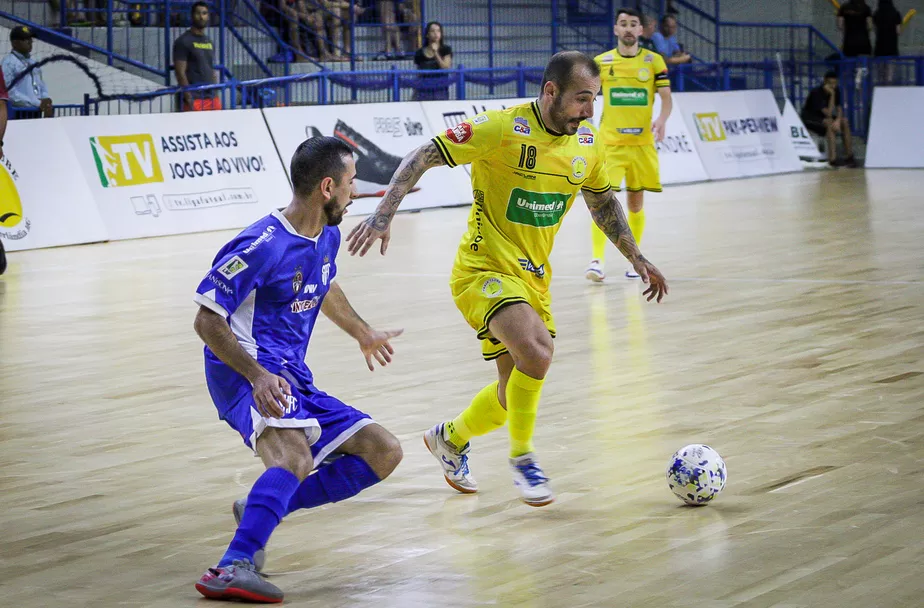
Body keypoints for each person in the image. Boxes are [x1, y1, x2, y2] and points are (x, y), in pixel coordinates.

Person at [346, 51, 668, 507]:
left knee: (509, 389)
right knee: (538, 351)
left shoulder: (588, 143)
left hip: (533, 279)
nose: (589, 110)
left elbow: (602, 202)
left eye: (594, 99)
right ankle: (523, 457)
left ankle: (450, 438)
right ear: (550, 91)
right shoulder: (501, 128)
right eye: (581, 99)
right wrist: (382, 215)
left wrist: (636, 256)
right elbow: (424, 155)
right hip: (482, 270)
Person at [192, 136, 404, 602]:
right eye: (351, 184)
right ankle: (232, 565)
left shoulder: (325, 235)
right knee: (294, 458)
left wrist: (363, 333)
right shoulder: (260, 245)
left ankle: (261, 507)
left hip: (290, 373)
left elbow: (324, 286)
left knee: (383, 451)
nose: (355, 193)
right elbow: (207, 320)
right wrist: (256, 376)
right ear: (328, 187)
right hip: (242, 371)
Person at [586, 7, 672, 282]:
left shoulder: (654, 61)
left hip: (642, 145)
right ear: (615, 29)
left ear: (641, 30)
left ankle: (634, 259)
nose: (627, 28)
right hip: (611, 144)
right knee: (602, 203)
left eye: (633, 24)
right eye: (622, 23)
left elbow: (666, 97)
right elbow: (586, 94)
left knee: (635, 204)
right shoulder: (601, 62)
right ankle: (596, 261)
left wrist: (662, 118)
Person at [801, 71, 858, 168]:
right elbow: (829, 113)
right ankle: (833, 159)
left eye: (835, 83)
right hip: (810, 119)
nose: (833, 86)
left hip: (824, 118)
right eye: (830, 83)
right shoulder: (816, 93)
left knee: (844, 121)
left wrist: (838, 120)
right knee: (830, 123)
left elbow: (839, 108)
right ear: (825, 82)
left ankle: (849, 156)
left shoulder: (837, 90)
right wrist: (832, 95)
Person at [173, 2, 221, 111]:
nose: (201, 17)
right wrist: (189, 98)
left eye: (204, 13)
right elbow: (180, 72)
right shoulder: (183, 41)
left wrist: (216, 93)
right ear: (192, 15)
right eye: (198, 13)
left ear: (208, 16)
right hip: (195, 99)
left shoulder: (209, 41)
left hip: (212, 97)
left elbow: (210, 67)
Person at [1, 26, 53, 118]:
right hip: (18, 113)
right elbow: (9, 93)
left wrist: (45, 99)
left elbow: (41, 85)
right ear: (15, 43)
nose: (29, 42)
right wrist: (38, 103)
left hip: (36, 111)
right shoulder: (8, 63)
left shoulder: (33, 63)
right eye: (25, 39)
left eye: (30, 38)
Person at [413, 21, 452, 101]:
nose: (436, 33)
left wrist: (436, 53)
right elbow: (418, 73)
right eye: (433, 31)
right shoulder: (419, 53)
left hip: (440, 89)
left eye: (438, 31)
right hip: (424, 90)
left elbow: (445, 67)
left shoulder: (446, 50)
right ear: (427, 34)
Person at [873, 0, 903, 84]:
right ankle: (888, 89)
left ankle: (881, 89)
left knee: (880, 74)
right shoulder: (896, 13)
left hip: (879, 47)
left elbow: (875, 30)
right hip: (892, 47)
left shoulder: (876, 14)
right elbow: (898, 31)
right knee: (889, 75)